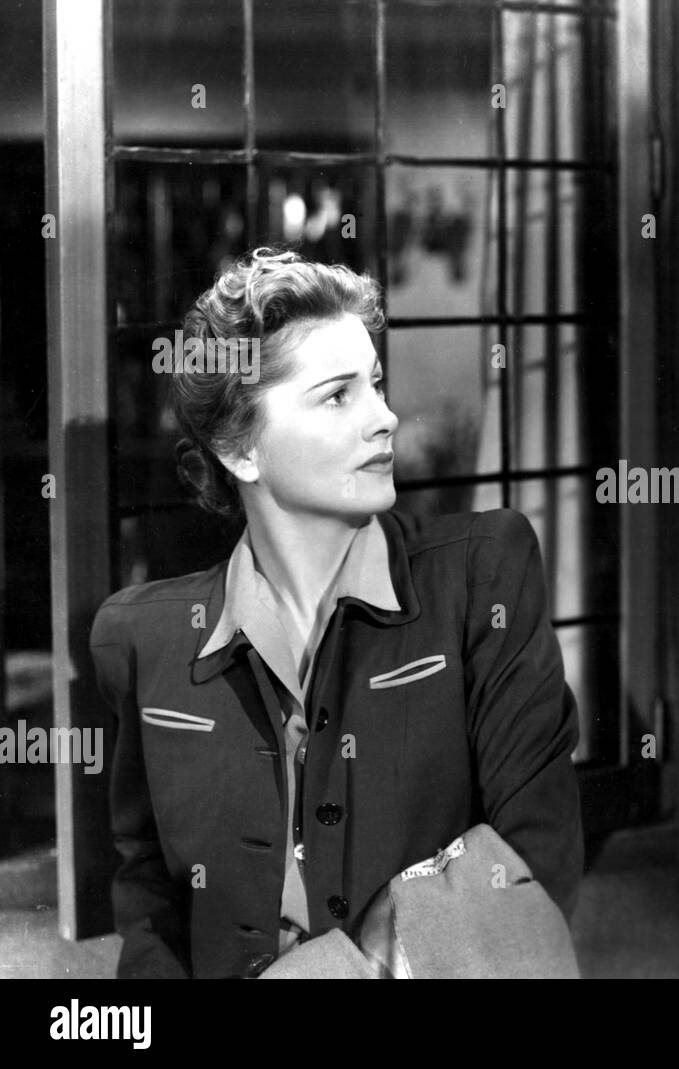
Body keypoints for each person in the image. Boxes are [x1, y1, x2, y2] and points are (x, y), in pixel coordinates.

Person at [90, 247, 583, 978]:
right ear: (239, 448)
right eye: (337, 395)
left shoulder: (483, 575)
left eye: (376, 385)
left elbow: (533, 859)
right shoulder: (143, 637)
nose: (385, 419)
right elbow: (151, 894)